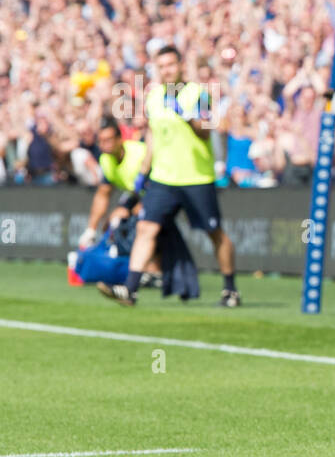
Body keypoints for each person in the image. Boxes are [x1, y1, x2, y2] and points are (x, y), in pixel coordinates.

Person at [99, 45, 240, 307]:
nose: (166, 71)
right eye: (161, 66)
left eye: (170, 65)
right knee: (146, 227)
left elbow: (207, 131)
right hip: (163, 178)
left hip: (196, 177)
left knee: (214, 233)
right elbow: (153, 136)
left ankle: (230, 289)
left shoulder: (197, 94)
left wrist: (187, 115)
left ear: (180, 66)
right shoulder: (153, 97)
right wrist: (144, 172)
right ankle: (130, 289)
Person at [80, 115, 161, 288]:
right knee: (112, 221)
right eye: (101, 141)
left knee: (143, 218)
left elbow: (157, 184)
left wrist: (135, 207)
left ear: (119, 139)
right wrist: (90, 230)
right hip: (137, 194)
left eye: (109, 140)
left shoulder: (139, 153)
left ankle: (155, 270)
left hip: (159, 190)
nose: (105, 145)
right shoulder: (105, 159)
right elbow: (103, 194)